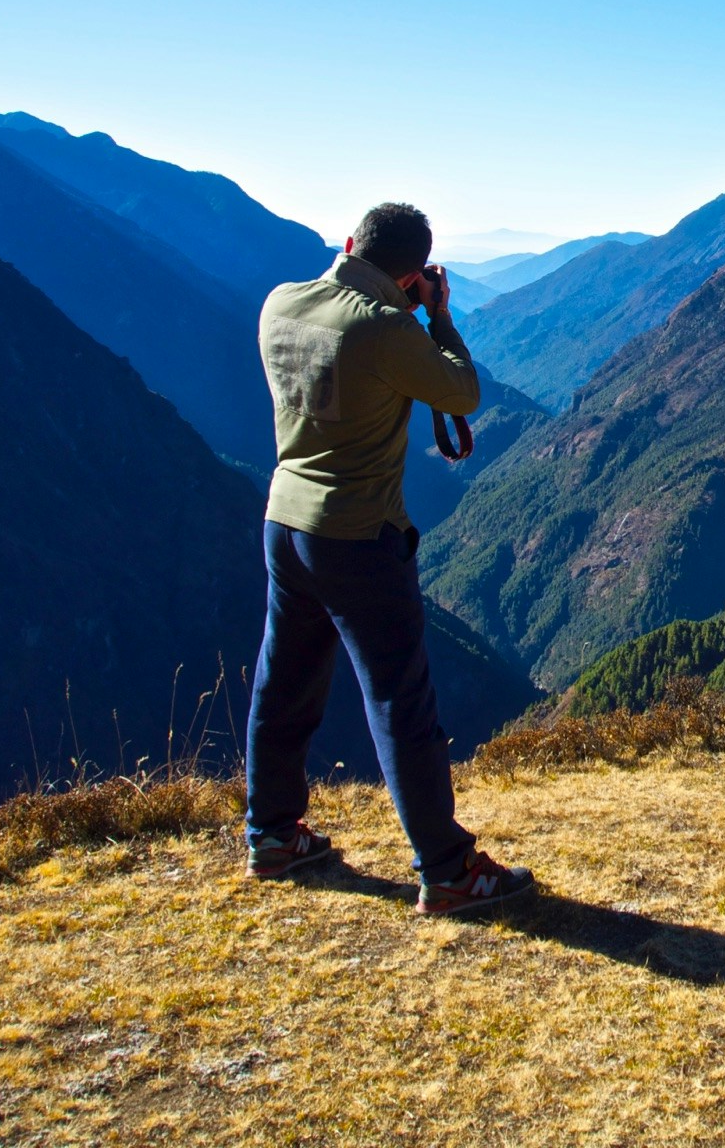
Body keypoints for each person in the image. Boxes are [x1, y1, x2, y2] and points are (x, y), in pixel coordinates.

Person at [243, 201, 534, 915]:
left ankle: (272, 835)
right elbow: (463, 391)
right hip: (356, 534)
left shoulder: (280, 302)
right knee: (400, 700)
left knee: (282, 681)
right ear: (410, 276)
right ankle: (448, 869)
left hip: (284, 521)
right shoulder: (385, 327)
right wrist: (436, 317)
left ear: (349, 243)